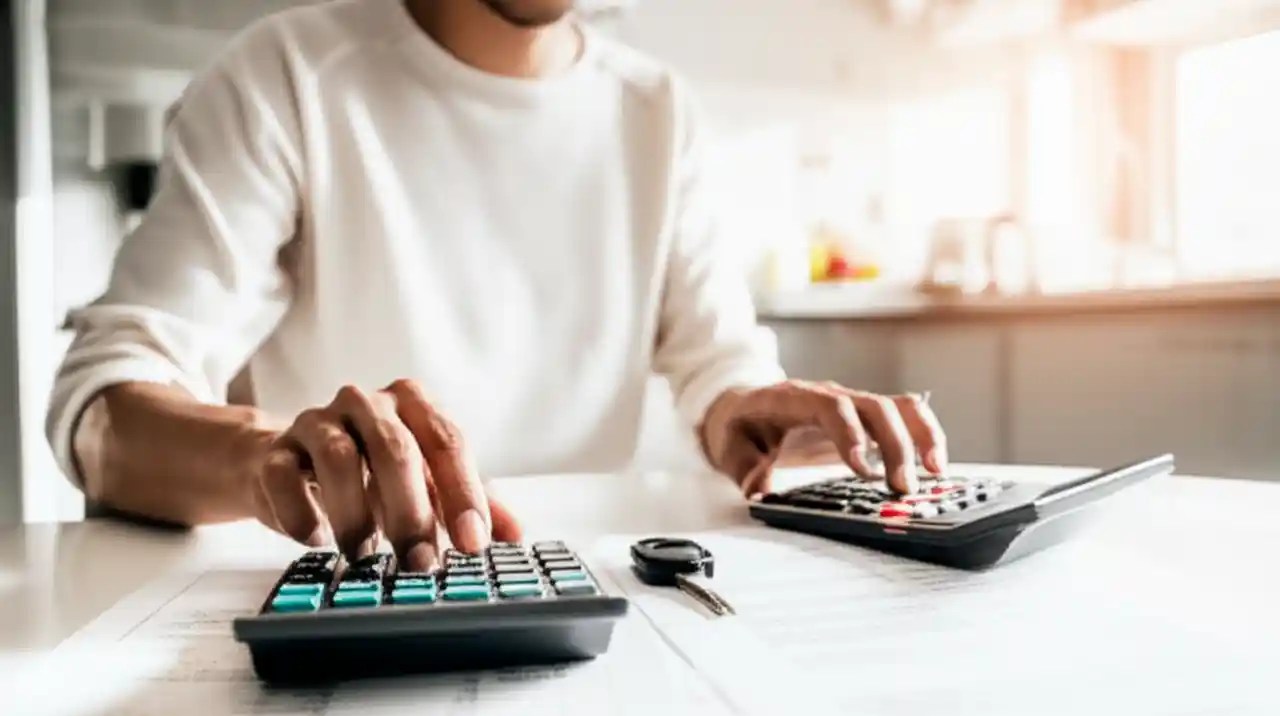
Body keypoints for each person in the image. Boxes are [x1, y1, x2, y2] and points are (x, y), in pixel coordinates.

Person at [47, 0, 947, 570]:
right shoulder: (286, 74)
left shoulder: (656, 109)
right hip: (360, 588)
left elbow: (718, 361)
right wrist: (271, 459)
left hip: (589, 595)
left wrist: (746, 408)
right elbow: (100, 413)